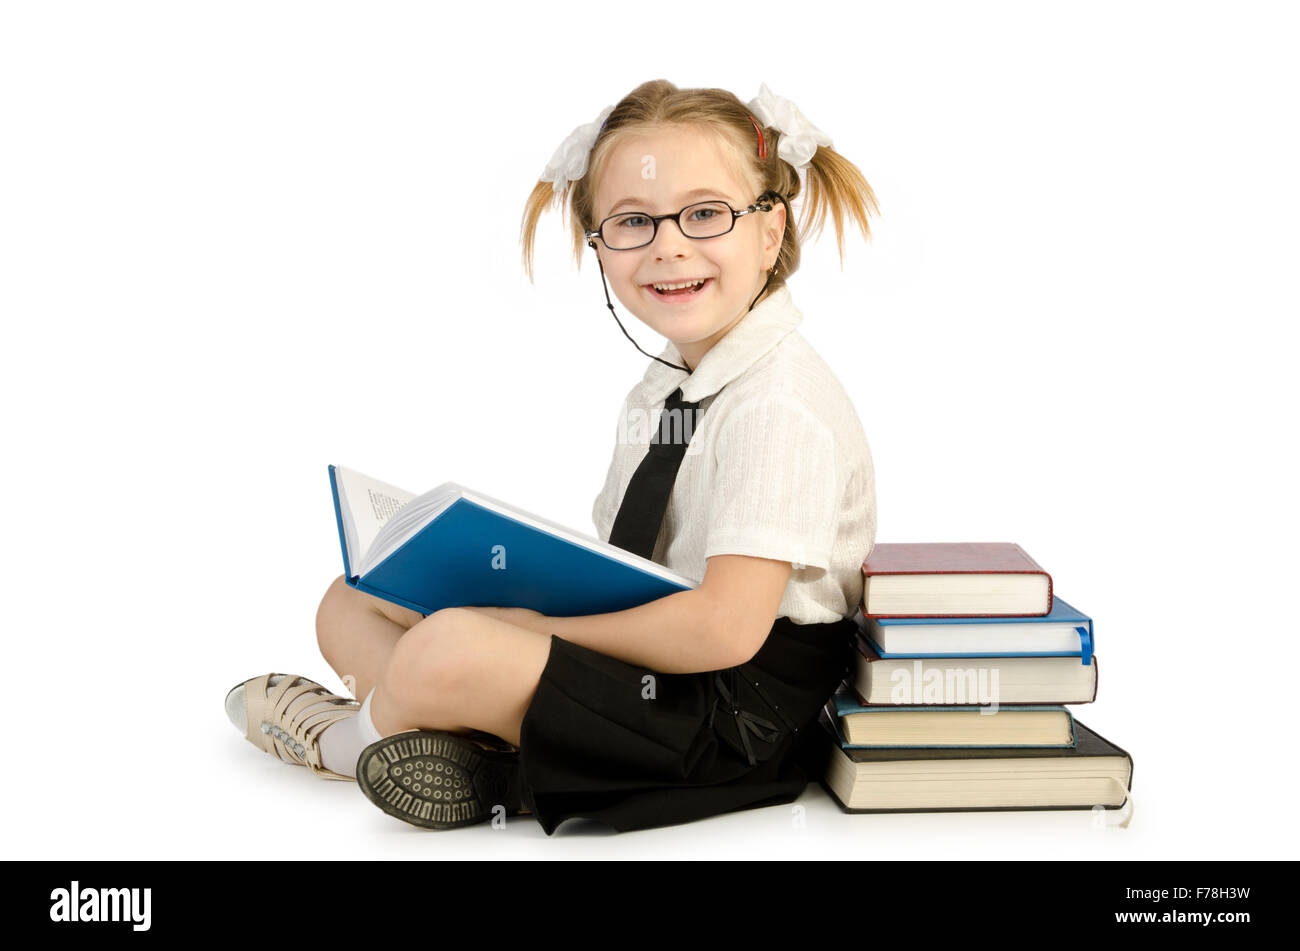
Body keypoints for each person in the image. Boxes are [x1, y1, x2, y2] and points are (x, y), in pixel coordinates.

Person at [224, 79, 879, 835]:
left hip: (734, 715)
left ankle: (345, 740)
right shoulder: (670, 383)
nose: (669, 244)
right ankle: (469, 741)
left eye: (705, 213)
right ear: (599, 246)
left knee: (445, 646)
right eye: (633, 221)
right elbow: (633, 569)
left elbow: (723, 631)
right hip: (659, 655)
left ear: (770, 232)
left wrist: (531, 627)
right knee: (353, 596)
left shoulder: (776, 402)